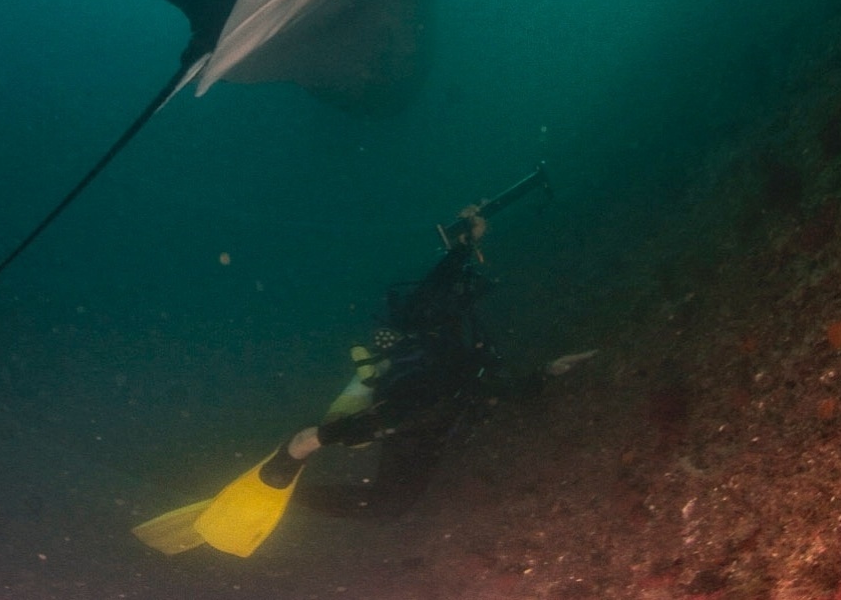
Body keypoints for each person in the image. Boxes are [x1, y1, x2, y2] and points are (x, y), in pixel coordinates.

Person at [133, 169, 547, 559]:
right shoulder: (432, 316)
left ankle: (296, 472)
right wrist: (322, 439)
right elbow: (412, 397)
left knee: (388, 502)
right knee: (387, 485)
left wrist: (544, 377)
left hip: (430, 403)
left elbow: (472, 382)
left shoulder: (450, 317)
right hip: (417, 399)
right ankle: (297, 452)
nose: (477, 285)